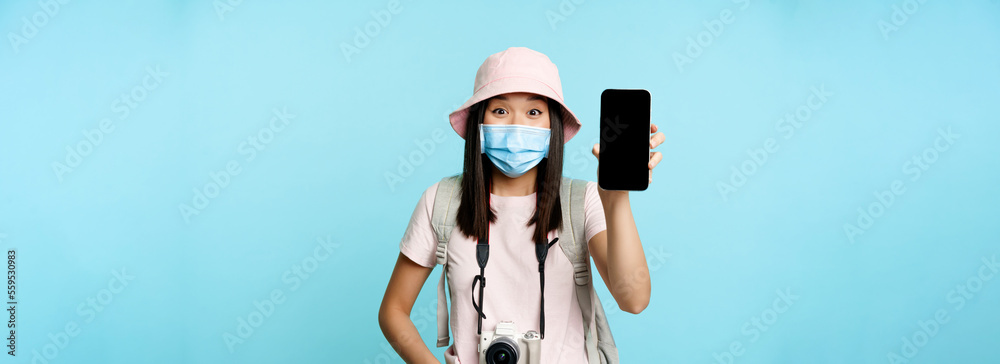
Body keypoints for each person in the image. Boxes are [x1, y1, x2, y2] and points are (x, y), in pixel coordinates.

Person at [378, 47, 665, 364]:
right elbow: (393, 311)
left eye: (533, 112)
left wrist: (616, 198)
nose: (516, 126)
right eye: (500, 111)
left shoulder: (581, 201)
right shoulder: (442, 201)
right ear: (479, 123)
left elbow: (634, 299)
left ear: (552, 126)